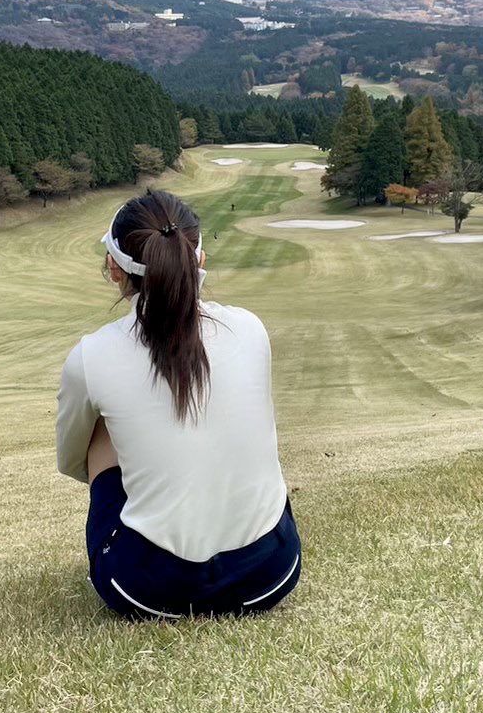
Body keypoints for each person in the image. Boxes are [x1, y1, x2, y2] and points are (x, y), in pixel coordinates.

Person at [56, 188, 301, 620]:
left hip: (149, 589)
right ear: (200, 260)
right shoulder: (250, 328)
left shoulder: (92, 356)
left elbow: (70, 461)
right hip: (272, 572)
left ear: (115, 269)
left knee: (102, 427)